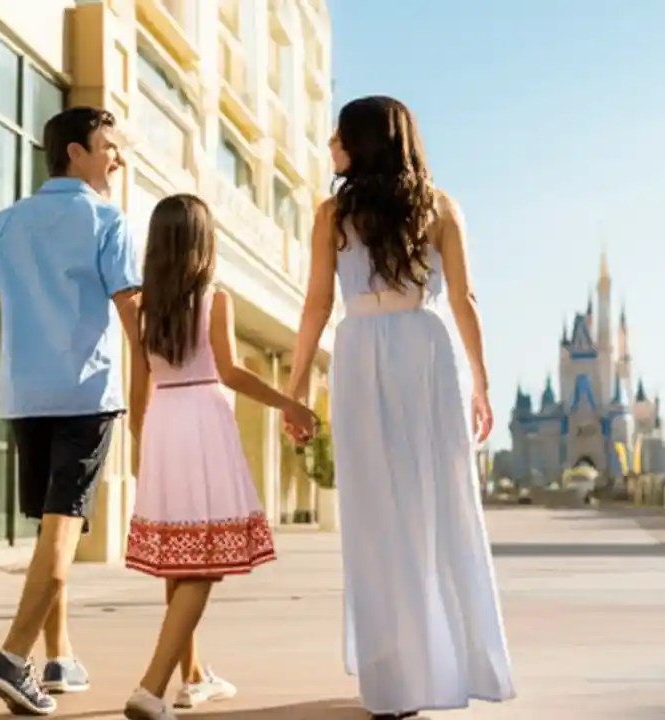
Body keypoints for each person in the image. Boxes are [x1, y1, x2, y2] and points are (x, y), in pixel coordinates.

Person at [0, 108, 219, 716]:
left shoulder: (5, 222)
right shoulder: (106, 220)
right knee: (61, 532)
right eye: (109, 147)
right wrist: (152, 404)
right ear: (76, 152)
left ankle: (59, 655)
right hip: (83, 398)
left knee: (54, 529)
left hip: (22, 395)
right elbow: (133, 317)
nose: (116, 158)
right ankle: (12, 657)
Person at [284, 96, 517, 719]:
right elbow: (463, 298)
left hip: (358, 350)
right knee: (435, 506)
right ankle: (439, 665)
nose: (331, 141)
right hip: (426, 348)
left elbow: (314, 304)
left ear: (363, 142)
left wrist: (299, 383)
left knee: (374, 514)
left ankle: (392, 680)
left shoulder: (334, 213)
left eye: (340, 133)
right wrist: (481, 381)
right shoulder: (439, 206)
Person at [121, 194, 318, 720]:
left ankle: (193, 676)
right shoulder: (214, 298)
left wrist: (144, 447)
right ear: (202, 243)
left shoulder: (142, 309)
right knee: (203, 565)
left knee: (177, 562)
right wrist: (290, 403)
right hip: (203, 419)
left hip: (163, 422)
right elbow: (230, 372)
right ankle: (150, 687)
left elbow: (138, 388)